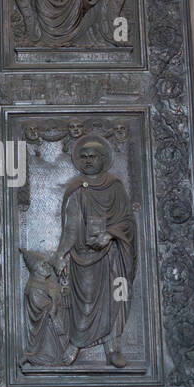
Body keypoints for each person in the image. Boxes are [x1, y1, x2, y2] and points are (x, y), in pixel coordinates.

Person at [53, 136, 136, 367]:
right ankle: (75, 343)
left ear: (103, 159)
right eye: (84, 157)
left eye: (93, 157)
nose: (88, 160)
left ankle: (112, 347)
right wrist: (61, 254)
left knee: (115, 299)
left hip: (111, 254)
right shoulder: (77, 189)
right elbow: (70, 226)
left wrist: (110, 233)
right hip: (84, 255)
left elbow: (127, 221)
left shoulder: (115, 186)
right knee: (85, 301)